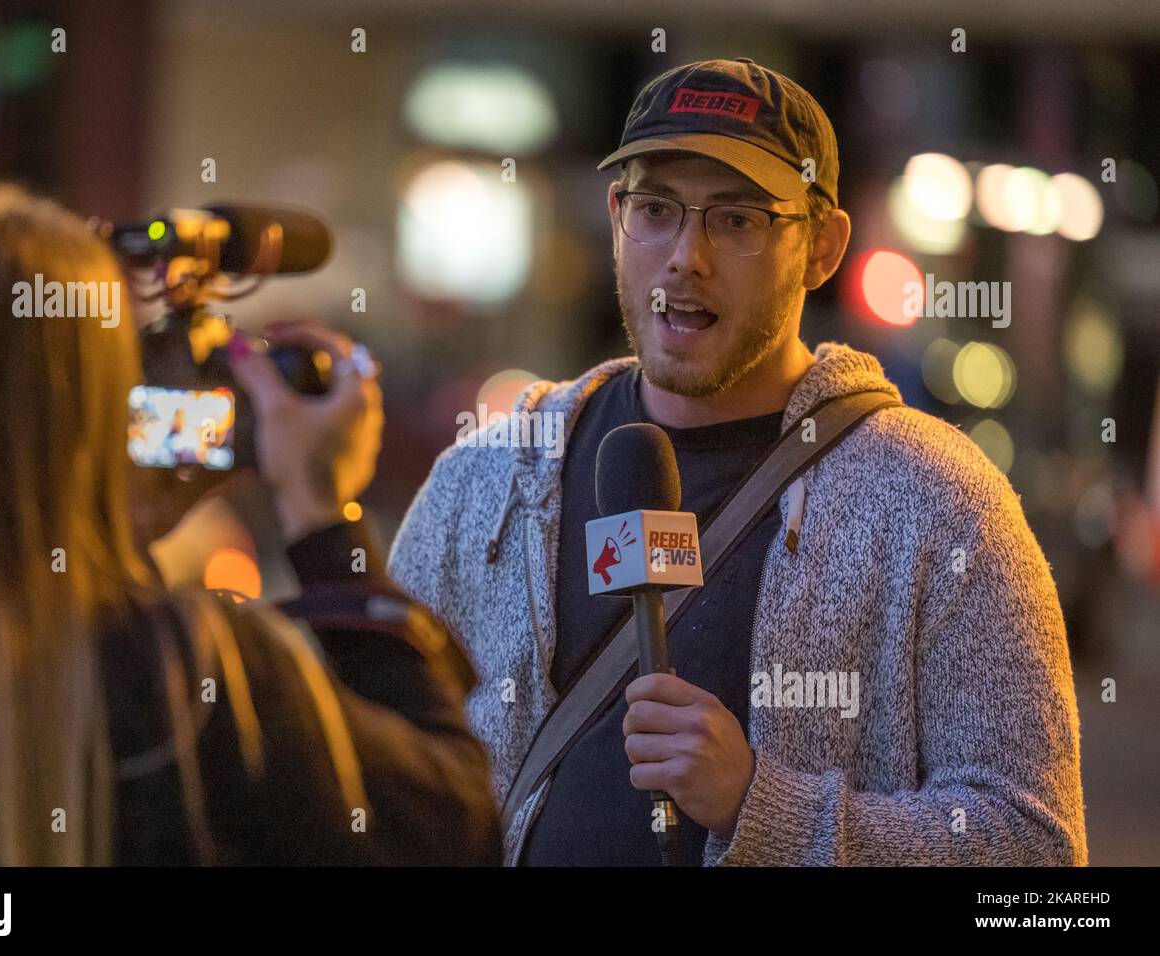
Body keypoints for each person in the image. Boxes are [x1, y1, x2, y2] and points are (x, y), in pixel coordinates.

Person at [388, 58, 1088, 866]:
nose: (687, 256)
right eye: (657, 210)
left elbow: (1034, 849)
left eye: (738, 220)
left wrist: (760, 806)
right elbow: (379, 776)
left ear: (821, 246)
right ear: (618, 220)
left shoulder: (937, 506)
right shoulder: (486, 483)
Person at [0, 180, 502, 866]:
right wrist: (321, 516)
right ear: (100, 409)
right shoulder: (187, 677)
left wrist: (114, 530)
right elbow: (452, 824)